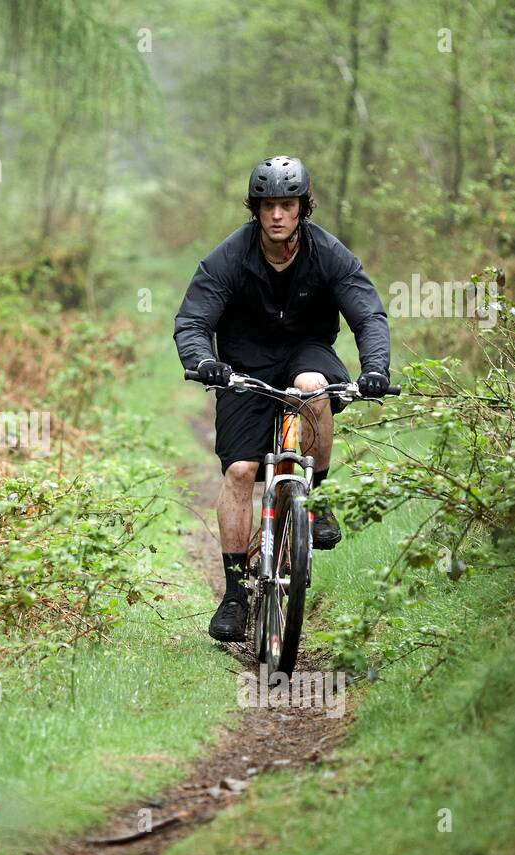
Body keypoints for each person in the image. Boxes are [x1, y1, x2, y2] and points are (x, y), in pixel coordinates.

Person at [173, 155, 392, 642]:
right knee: (239, 472)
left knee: (314, 385)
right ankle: (234, 593)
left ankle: (315, 499)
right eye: (268, 205)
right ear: (256, 209)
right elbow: (193, 320)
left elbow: (368, 315)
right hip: (243, 364)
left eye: (287, 205)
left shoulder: (328, 253)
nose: (277, 215)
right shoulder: (229, 257)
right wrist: (203, 361)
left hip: (306, 352)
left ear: (302, 208)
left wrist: (376, 368)